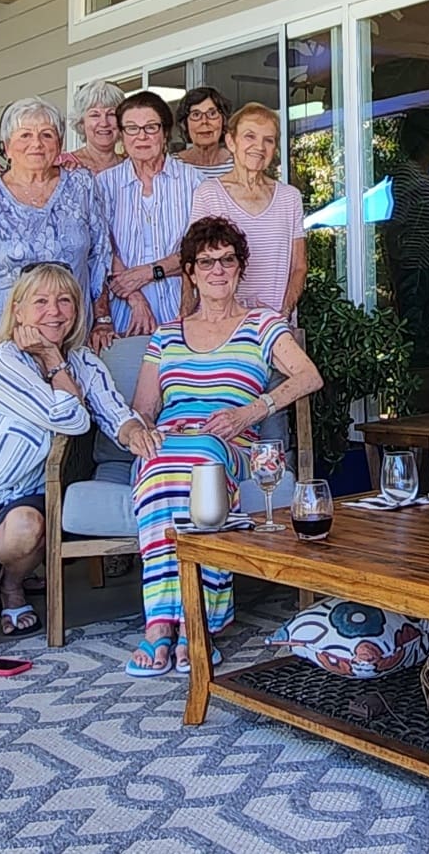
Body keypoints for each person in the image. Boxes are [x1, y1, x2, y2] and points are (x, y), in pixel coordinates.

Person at [0, 264, 152, 653]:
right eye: (40, 302)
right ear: (20, 311)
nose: (55, 311)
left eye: (65, 301)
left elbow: (117, 416)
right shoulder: (3, 359)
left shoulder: (85, 362)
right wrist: (50, 357)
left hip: (23, 499)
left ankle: (11, 584)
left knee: (25, 527)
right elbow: (72, 419)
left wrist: (137, 434)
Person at [127, 217, 323, 676]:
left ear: (240, 267)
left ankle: (196, 626)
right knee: (164, 468)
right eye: (206, 261)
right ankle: (165, 625)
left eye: (227, 260)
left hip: (230, 442)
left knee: (202, 464)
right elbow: (142, 409)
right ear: (190, 272)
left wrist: (250, 413)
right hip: (170, 443)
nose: (218, 269)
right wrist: (140, 433)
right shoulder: (166, 334)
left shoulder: (261, 324)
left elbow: (309, 376)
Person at [0, 97, 108, 376]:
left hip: (72, 338)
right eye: (25, 135)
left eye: (47, 134)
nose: (37, 143)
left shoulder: (82, 185)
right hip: (3, 340)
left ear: (59, 144)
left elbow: (100, 256)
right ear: (6, 147)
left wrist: (102, 319)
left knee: (73, 415)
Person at [187, 102, 305, 319]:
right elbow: (194, 263)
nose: (259, 147)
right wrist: (188, 317)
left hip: (277, 324)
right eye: (250, 136)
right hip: (224, 323)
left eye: (268, 140)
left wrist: (283, 313)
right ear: (231, 141)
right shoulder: (208, 194)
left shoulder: (290, 197)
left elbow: (298, 267)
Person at [97, 91, 201, 337]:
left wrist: (149, 272)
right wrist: (134, 297)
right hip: (123, 310)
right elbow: (101, 249)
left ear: (165, 133)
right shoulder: (104, 185)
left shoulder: (194, 181)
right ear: (121, 135)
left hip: (183, 310)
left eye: (151, 127)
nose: (141, 136)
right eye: (132, 128)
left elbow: (200, 249)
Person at [386, 107, 429, 365]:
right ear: (425, 138)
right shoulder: (408, 175)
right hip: (415, 268)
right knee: (416, 331)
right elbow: (398, 223)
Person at [64, 79, 126, 174]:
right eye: (95, 115)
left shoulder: (132, 167)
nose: (104, 123)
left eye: (111, 114)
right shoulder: (63, 166)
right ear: (81, 122)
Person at [174, 85, 234, 178]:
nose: (204, 121)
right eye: (196, 115)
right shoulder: (172, 166)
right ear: (185, 123)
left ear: (224, 120)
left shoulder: (238, 164)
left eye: (212, 114)